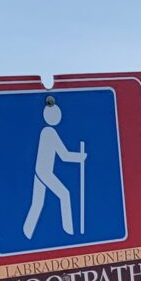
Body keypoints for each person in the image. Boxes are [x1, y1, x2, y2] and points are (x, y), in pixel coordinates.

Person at [23, 99, 86, 239]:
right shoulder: (49, 132)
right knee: (65, 194)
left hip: (39, 171)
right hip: (44, 172)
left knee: (38, 203)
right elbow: (64, 155)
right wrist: (81, 157)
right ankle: (69, 232)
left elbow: (62, 155)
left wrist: (79, 157)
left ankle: (27, 232)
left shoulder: (47, 132)